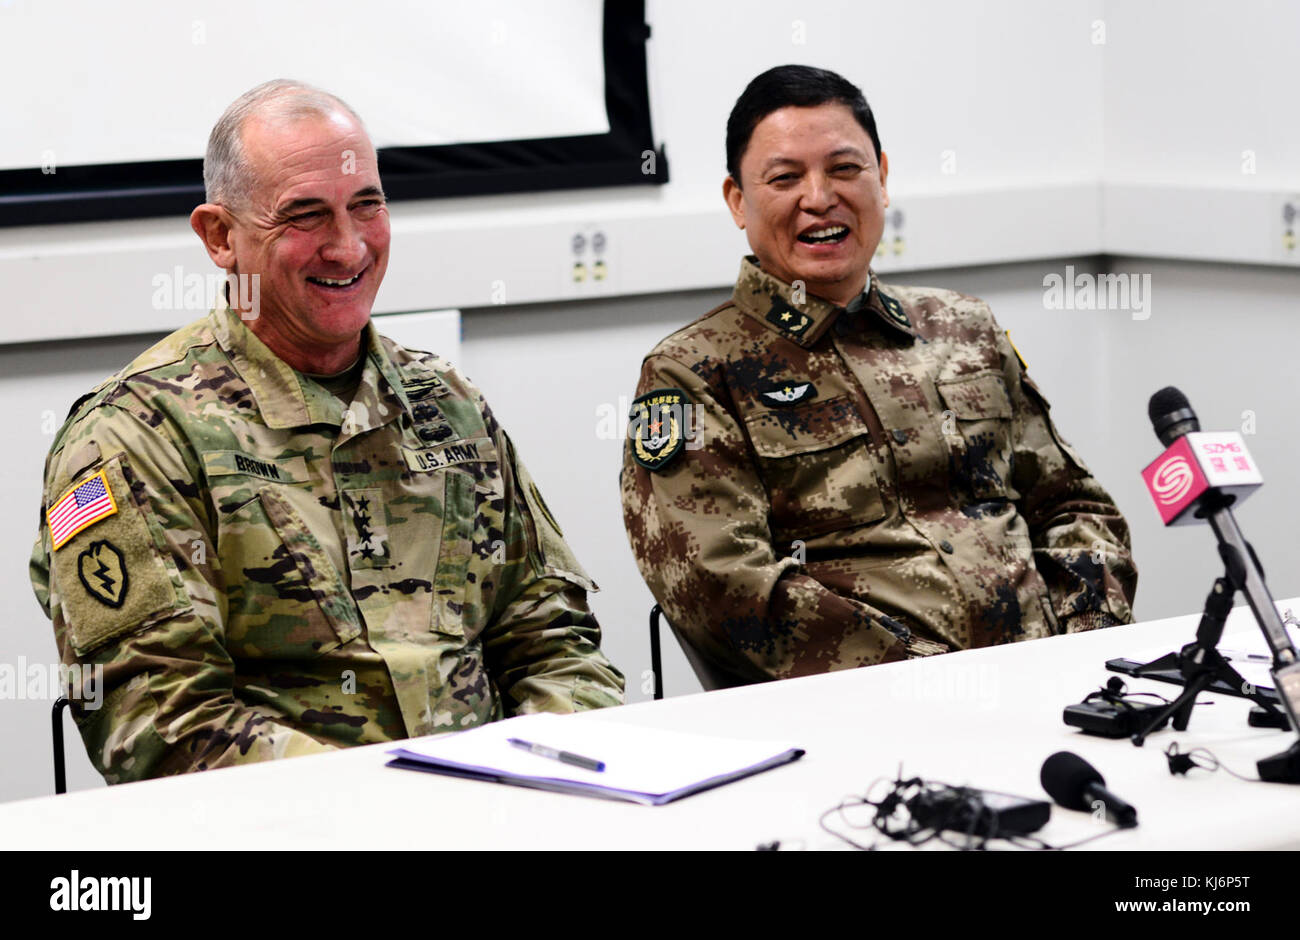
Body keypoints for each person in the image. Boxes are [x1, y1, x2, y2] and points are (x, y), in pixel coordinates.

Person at [30, 80, 624, 783]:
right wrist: (398, 809)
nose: (347, 248)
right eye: (305, 216)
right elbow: (162, 722)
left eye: (366, 207)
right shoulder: (136, 436)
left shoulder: (449, 404)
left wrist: (542, 775)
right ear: (220, 236)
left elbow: (553, 640)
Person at [620, 65, 1137, 686]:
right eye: (785, 178)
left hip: (1053, 682)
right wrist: (923, 676)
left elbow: (1074, 504)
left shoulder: (963, 326)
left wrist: (1078, 645)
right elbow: (719, 582)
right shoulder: (695, 372)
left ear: (882, 178)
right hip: (869, 711)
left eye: (845, 169)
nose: (820, 198)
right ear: (738, 200)